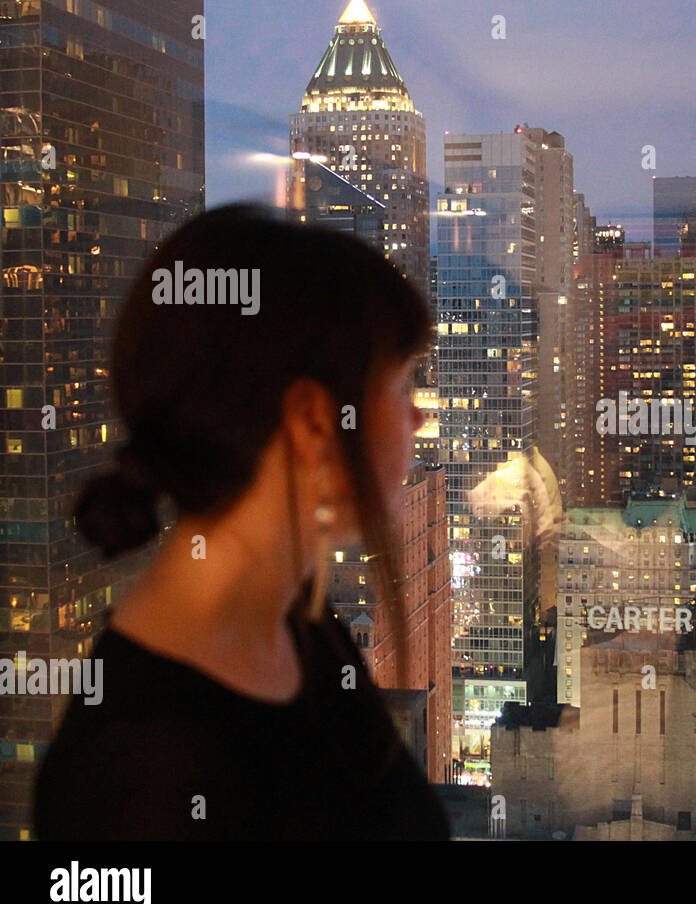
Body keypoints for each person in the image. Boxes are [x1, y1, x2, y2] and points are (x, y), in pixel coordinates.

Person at [35, 205, 450, 840]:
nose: (418, 418)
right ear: (315, 420)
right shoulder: (138, 773)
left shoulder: (298, 621)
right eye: (403, 385)